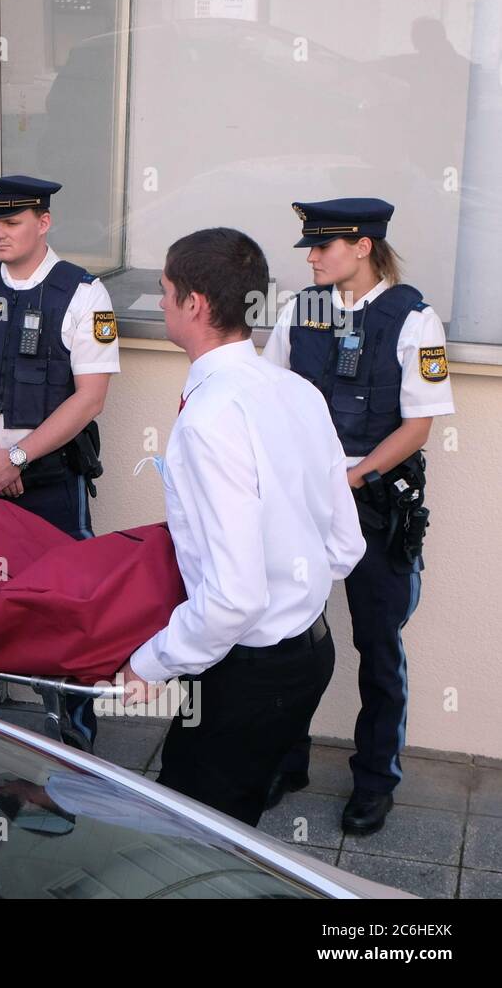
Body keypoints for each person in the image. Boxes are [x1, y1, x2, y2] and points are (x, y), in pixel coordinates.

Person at [122, 227, 366, 828]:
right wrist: (291, 590)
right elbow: (345, 543)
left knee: (198, 836)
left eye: (165, 292)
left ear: (195, 305)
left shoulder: (210, 418)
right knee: (225, 815)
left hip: (249, 675)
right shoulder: (295, 390)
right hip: (306, 655)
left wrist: (149, 664)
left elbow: (233, 598)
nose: (159, 304)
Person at [261, 198, 454, 835]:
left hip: (374, 501)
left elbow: (418, 426)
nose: (311, 258)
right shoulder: (301, 309)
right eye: (311, 248)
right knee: (289, 633)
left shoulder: (414, 318)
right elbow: (270, 393)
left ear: (364, 247)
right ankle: (285, 760)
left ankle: (375, 780)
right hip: (305, 501)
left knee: (378, 643)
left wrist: (350, 477)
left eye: (323, 247)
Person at [0, 175, 119, 751]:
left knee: (67, 607)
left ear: (44, 222)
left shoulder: (84, 294)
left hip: (50, 479)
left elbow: (91, 397)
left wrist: (15, 457)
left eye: (11, 222)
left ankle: (77, 743)